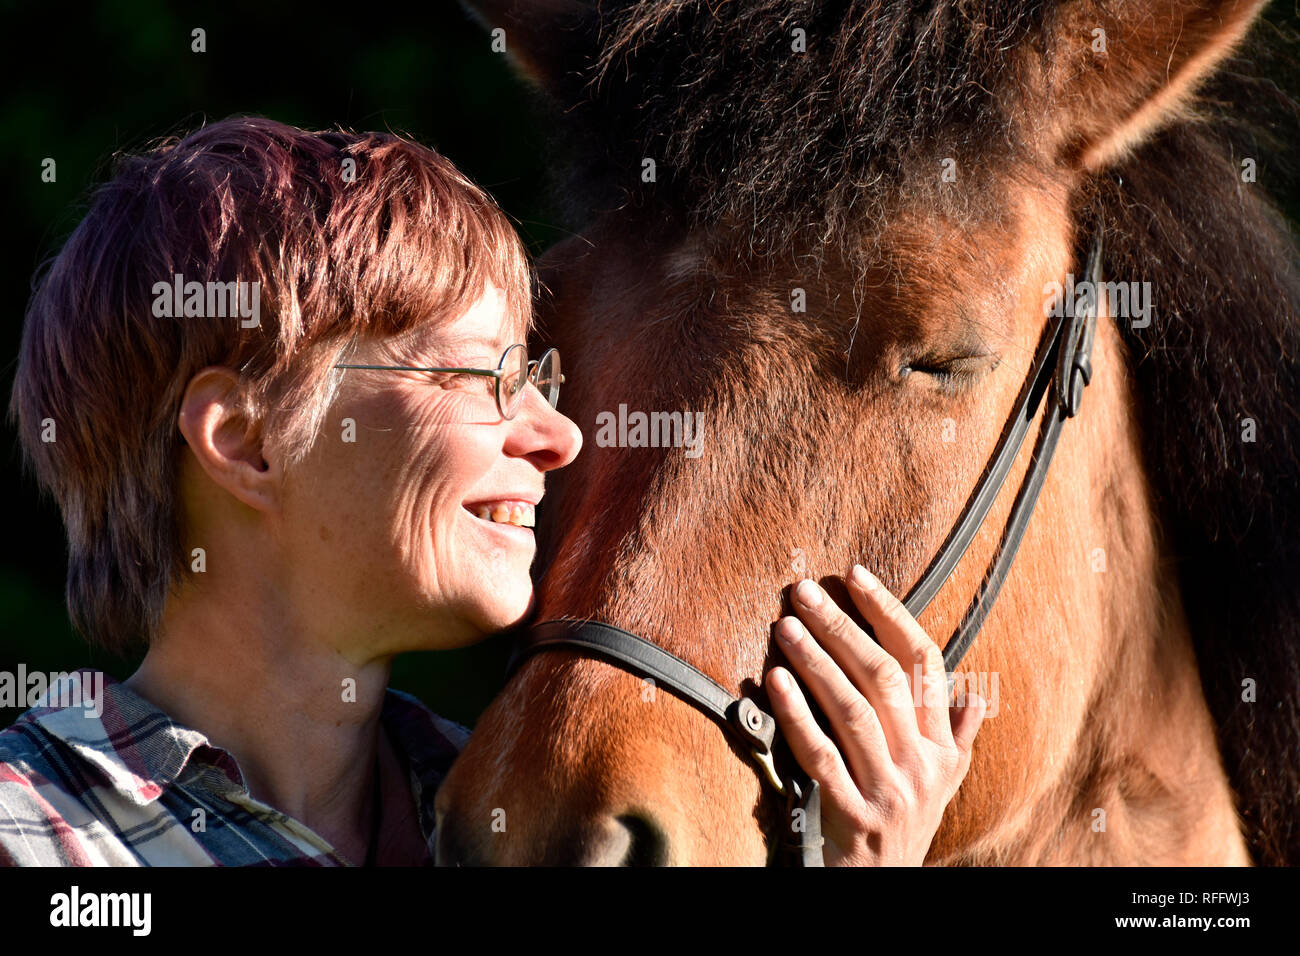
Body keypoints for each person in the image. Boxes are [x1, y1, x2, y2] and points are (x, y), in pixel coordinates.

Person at [1, 117, 984, 866]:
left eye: (542, 380)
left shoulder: (538, 821)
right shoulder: (29, 831)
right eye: (481, 378)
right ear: (246, 439)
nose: (557, 435)